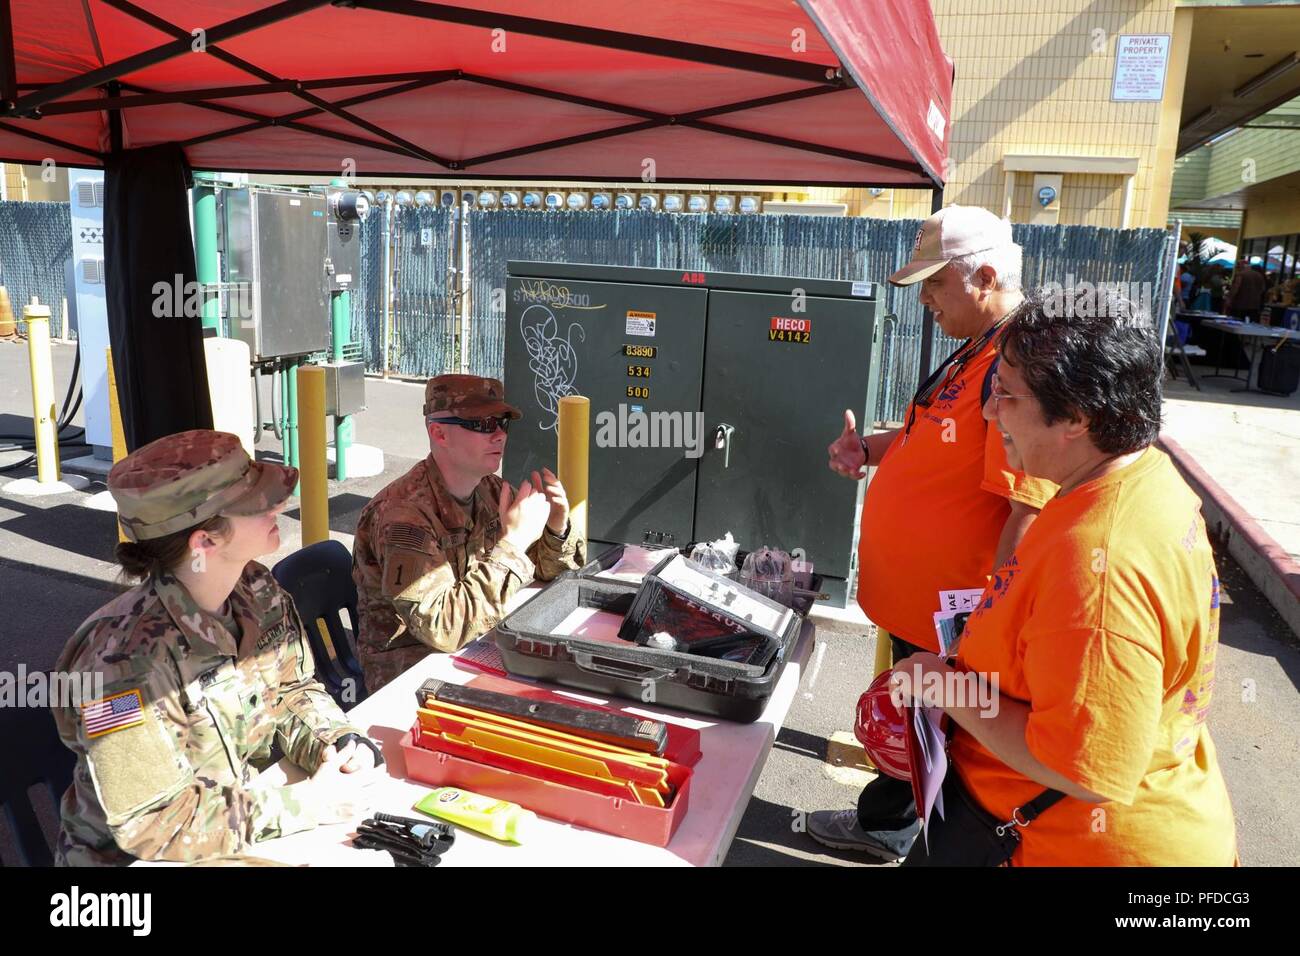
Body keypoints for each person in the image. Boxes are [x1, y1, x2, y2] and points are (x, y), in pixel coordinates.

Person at [895, 292, 1237, 866]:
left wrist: (940, 685)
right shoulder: (1136, 477)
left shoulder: (1100, 566)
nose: (988, 412)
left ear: (1078, 416)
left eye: (1004, 393)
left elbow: (1081, 765)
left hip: (1067, 844)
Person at [810, 206, 1056, 860]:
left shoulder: (1019, 367)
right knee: (912, 733)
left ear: (982, 276)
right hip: (918, 607)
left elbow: (1023, 509)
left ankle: (909, 841)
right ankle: (891, 829)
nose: (923, 300)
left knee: (942, 743)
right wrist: (869, 449)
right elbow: (933, 438)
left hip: (952, 619)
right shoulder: (979, 351)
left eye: (934, 283)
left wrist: (984, 628)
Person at [53, 430, 379, 866]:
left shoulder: (255, 589)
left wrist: (334, 743)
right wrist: (308, 805)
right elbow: (154, 825)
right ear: (204, 541)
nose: (279, 504)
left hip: (240, 827)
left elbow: (291, 691)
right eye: (255, 501)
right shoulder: (119, 665)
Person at [352, 374, 585, 692]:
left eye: (503, 422)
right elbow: (444, 628)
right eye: (484, 424)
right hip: (413, 679)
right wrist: (515, 541)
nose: (500, 435)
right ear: (439, 433)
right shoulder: (403, 517)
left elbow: (543, 573)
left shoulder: (490, 491)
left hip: (477, 647)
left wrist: (556, 531)